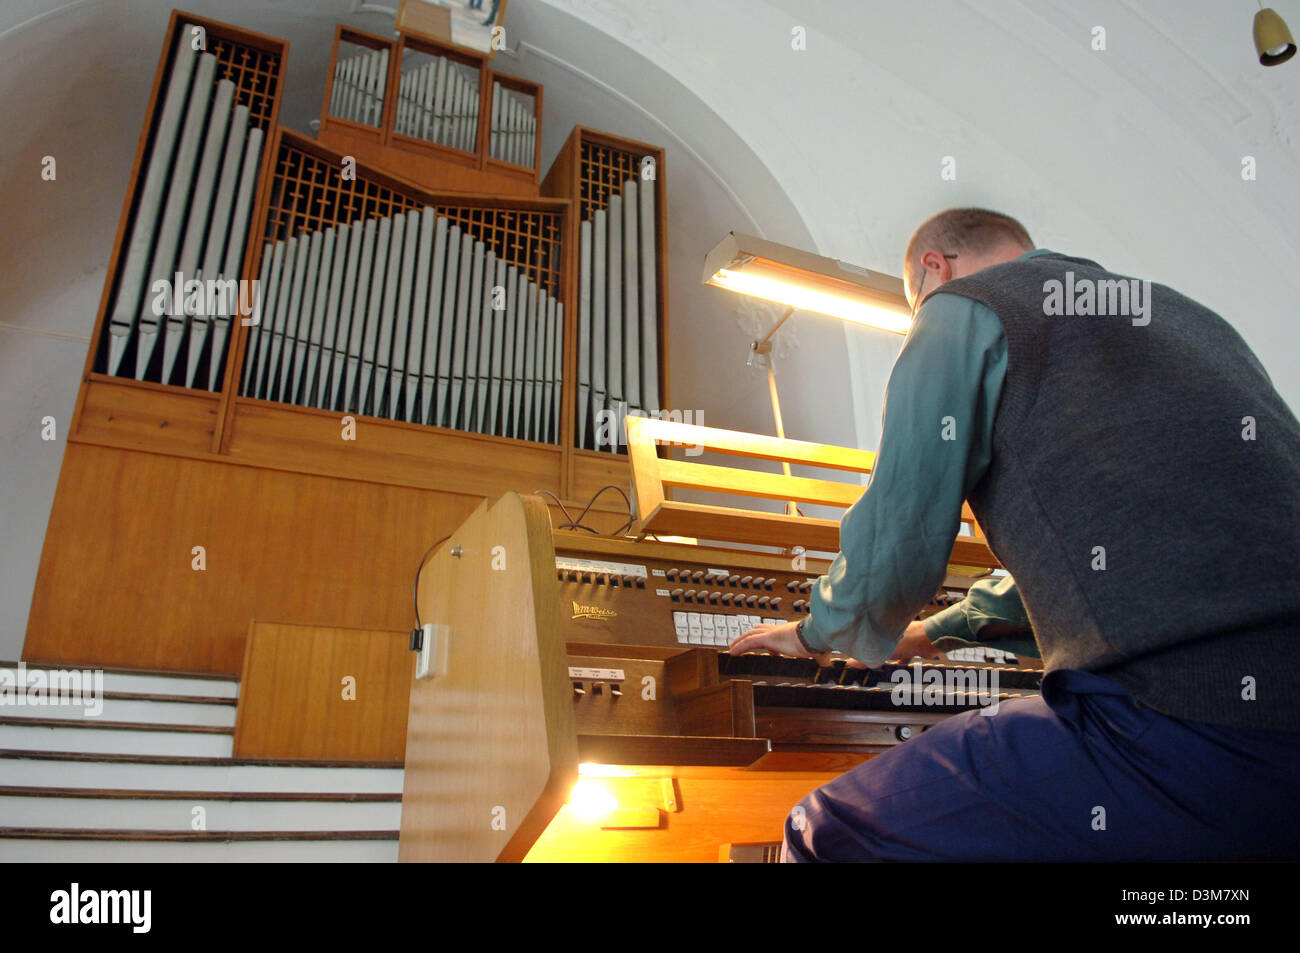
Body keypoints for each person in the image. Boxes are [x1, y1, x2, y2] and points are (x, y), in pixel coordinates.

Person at [729, 208, 1300, 861]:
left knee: (826, 830)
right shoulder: (1188, 319)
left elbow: (894, 545)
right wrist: (928, 633)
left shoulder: (959, 308)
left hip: (1189, 731)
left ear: (932, 269)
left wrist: (813, 633)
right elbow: (1139, 542)